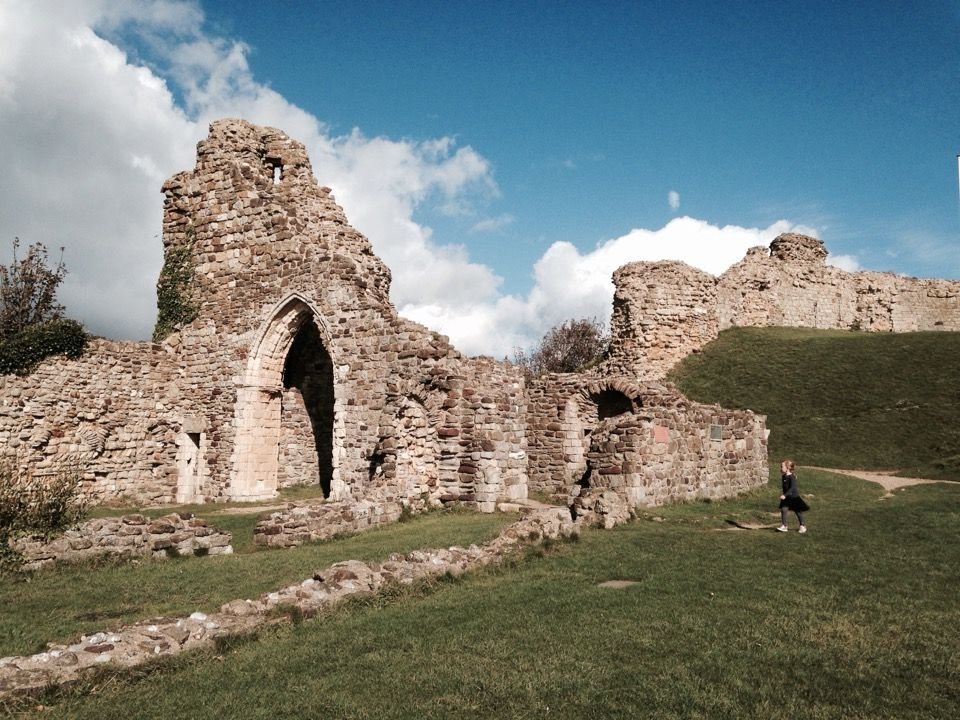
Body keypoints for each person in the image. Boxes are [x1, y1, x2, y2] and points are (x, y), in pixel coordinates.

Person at [777, 459, 809, 533]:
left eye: (782, 466)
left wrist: (785, 495)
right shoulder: (784, 476)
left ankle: (802, 526)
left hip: (794, 497)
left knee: (798, 511)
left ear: (787, 468)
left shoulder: (792, 477)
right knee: (783, 509)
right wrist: (785, 495)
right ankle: (784, 526)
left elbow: (792, 488)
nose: (780, 468)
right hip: (787, 498)